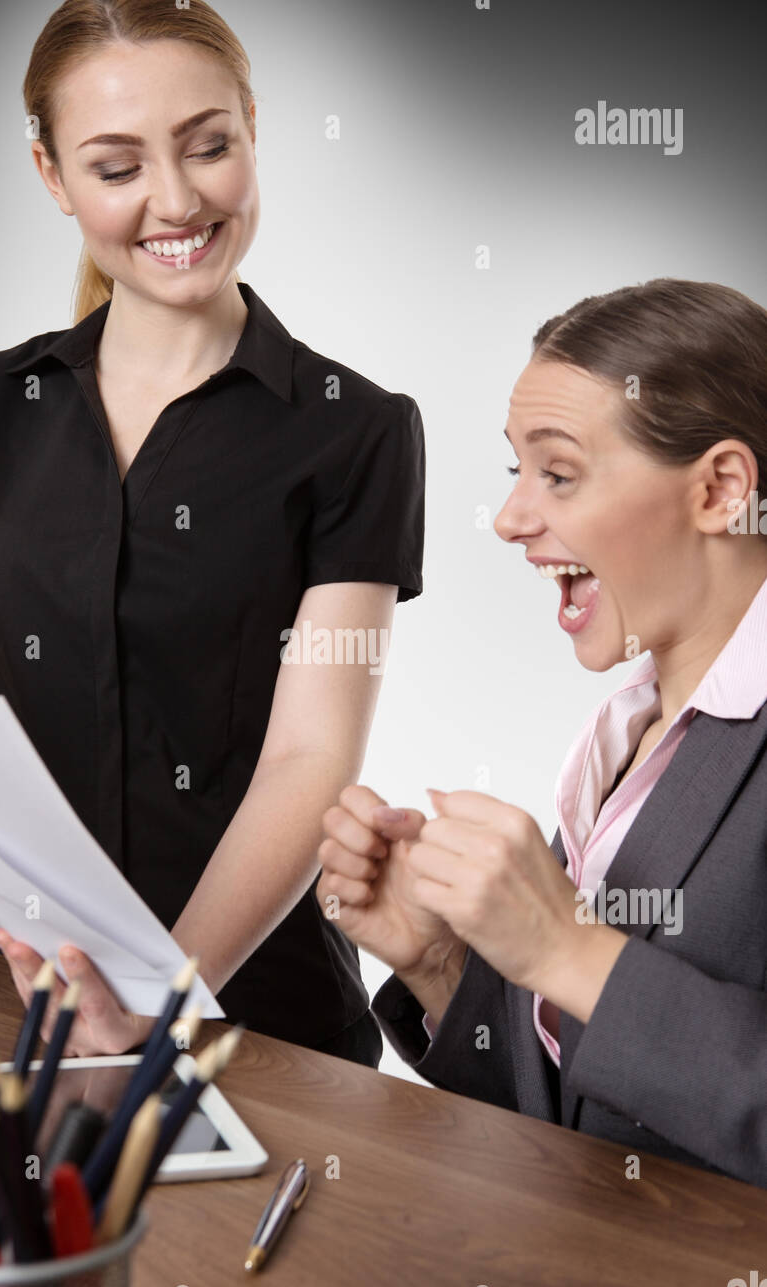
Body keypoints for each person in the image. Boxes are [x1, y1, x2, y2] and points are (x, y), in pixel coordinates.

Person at [0, 0, 425, 1068]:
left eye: (208, 147)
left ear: (249, 137)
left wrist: (157, 1001)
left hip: (248, 1018)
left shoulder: (355, 429)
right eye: (116, 165)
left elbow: (310, 754)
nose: (176, 200)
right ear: (52, 178)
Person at [317, 278, 767, 1189]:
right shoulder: (631, 733)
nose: (513, 519)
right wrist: (446, 963)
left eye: (557, 473)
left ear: (720, 489)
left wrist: (568, 947)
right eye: (516, 472)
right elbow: (577, 1118)